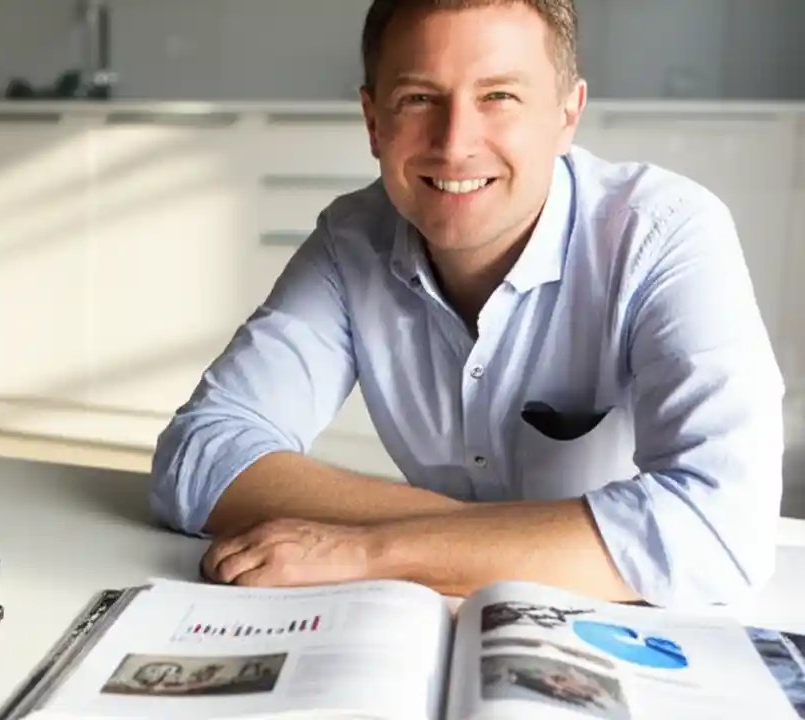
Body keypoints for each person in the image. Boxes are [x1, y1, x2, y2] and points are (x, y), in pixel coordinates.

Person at [149, 0, 784, 609]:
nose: (455, 143)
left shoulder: (665, 231)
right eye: (419, 98)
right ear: (373, 122)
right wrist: (480, 541)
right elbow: (201, 455)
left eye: (498, 97)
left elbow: (722, 526)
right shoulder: (352, 241)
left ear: (568, 115)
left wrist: (381, 550)